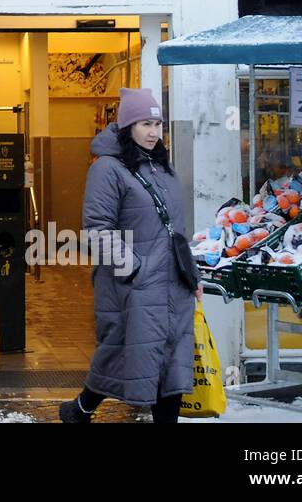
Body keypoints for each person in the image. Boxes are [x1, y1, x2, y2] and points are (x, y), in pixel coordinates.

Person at [59, 87, 201, 424]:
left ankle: (80, 410)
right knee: (130, 354)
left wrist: (191, 275)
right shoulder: (107, 169)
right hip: (134, 285)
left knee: (168, 360)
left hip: (173, 284)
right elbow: (97, 227)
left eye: (157, 124)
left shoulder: (162, 168)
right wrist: (136, 272)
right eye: (145, 124)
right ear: (127, 127)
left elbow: (175, 228)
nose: (153, 132)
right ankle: (80, 409)